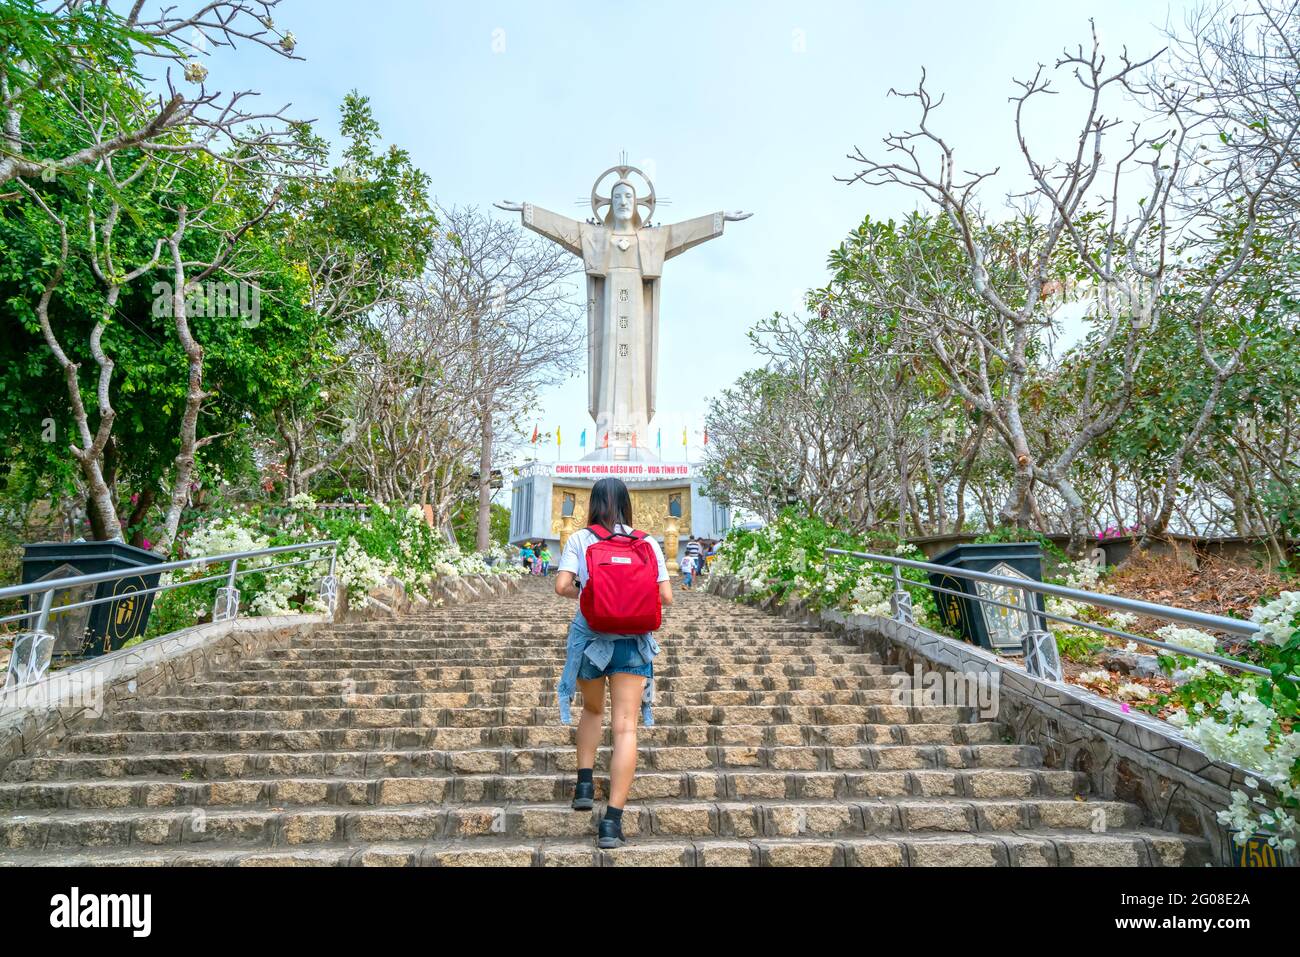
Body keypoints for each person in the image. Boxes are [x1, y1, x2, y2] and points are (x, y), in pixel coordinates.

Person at [553, 478, 672, 849]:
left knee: (592, 711)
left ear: (593, 504)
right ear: (626, 503)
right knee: (625, 728)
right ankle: (611, 823)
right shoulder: (647, 542)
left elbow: (561, 586)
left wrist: (591, 594)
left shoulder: (580, 539)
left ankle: (585, 785)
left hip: (590, 639)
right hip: (632, 645)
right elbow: (666, 596)